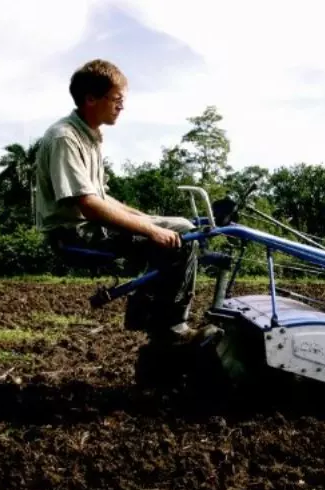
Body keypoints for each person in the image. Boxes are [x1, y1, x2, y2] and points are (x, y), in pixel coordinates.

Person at [35, 58, 217, 344]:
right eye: (117, 99)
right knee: (182, 235)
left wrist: (143, 218)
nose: (122, 106)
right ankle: (170, 329)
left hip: (88, 226)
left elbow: (103, 197)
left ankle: (151, 316)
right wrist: (151, 229)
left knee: (181, 226)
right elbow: (89, 205)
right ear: (91, 99)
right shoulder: (65, 138)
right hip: (74, 235)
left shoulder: (90, 136)